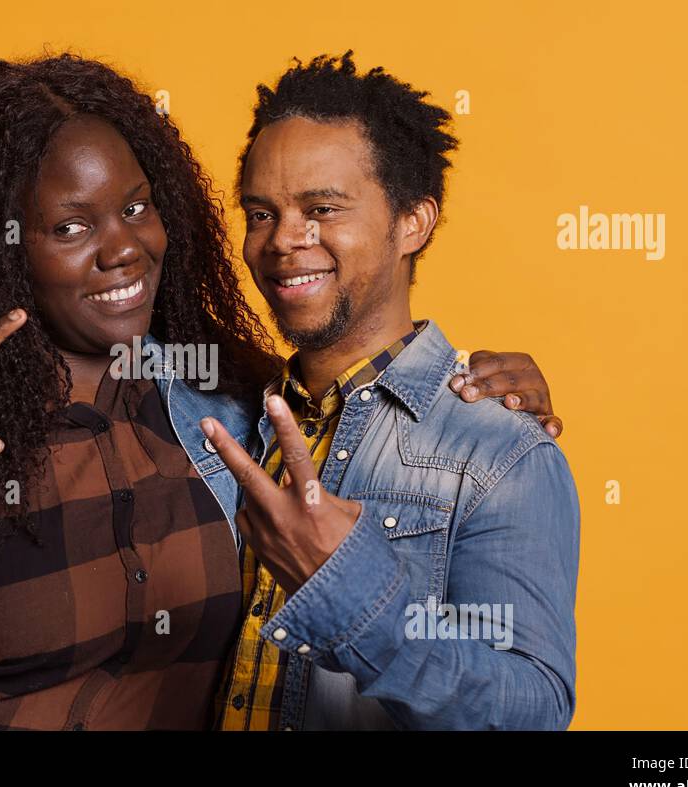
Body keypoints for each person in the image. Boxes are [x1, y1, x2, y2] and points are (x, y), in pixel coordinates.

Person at [0, 53, 561, 731]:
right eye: (72, 226)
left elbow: (522, 698)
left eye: (136, 207)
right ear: (6, 246)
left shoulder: (222, 410)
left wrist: (481, 392)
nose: (124, 249)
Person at [202, 52, 581, 730]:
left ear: (413, 222)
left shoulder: (500, 450)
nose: (284, 239)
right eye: (261, 213)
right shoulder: (220, 415)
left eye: (322, 208)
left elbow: (531, 709)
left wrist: (349, 594)